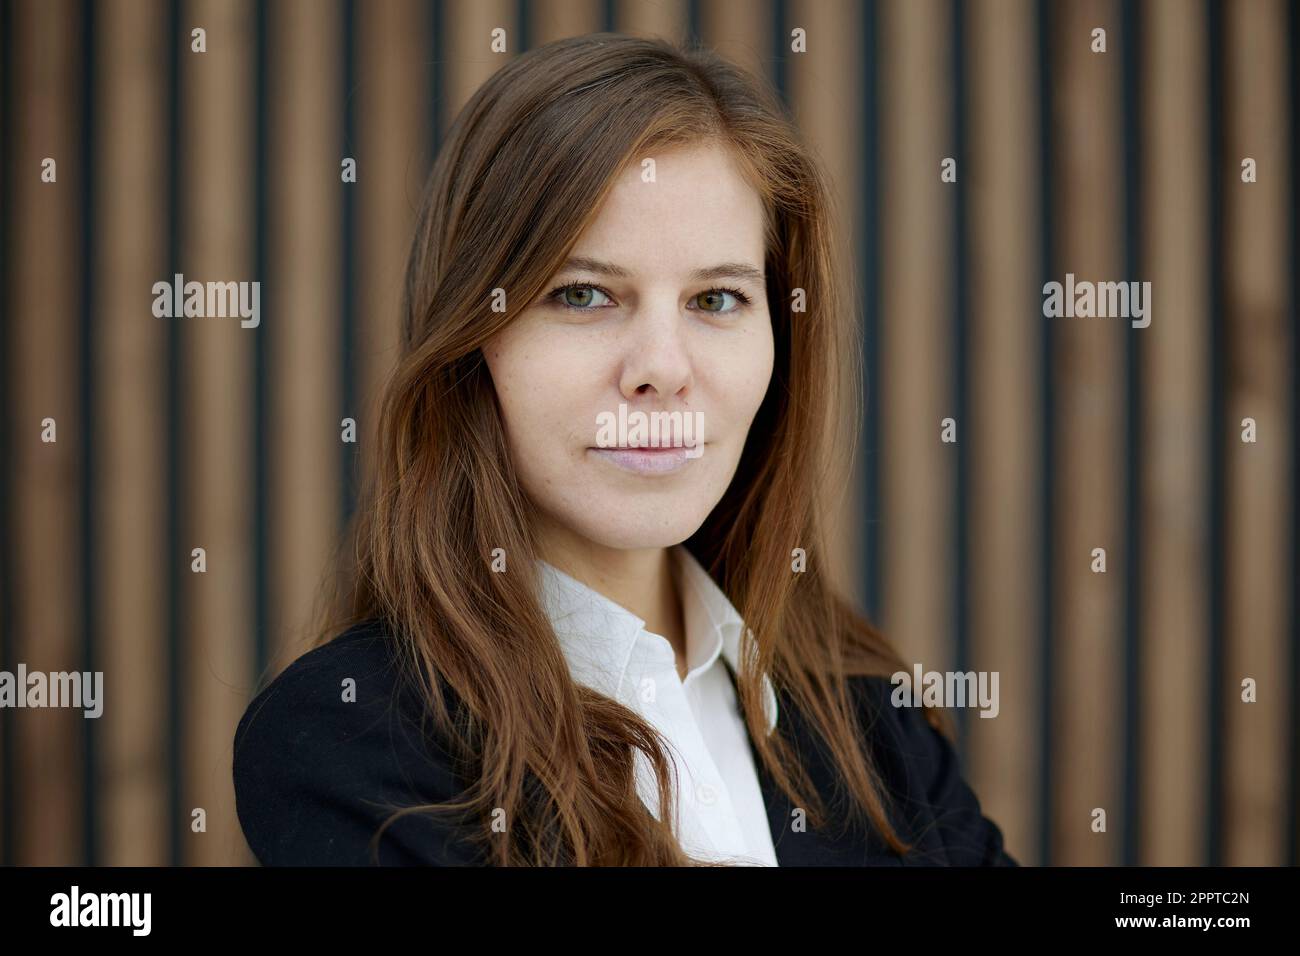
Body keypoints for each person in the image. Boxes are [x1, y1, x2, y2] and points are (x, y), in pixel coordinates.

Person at [232, 32, 1017, 867]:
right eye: (583, 295)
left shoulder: (867, 718)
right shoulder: (347, 744)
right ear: (474, 341)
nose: (662, 371)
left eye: (717, 298)